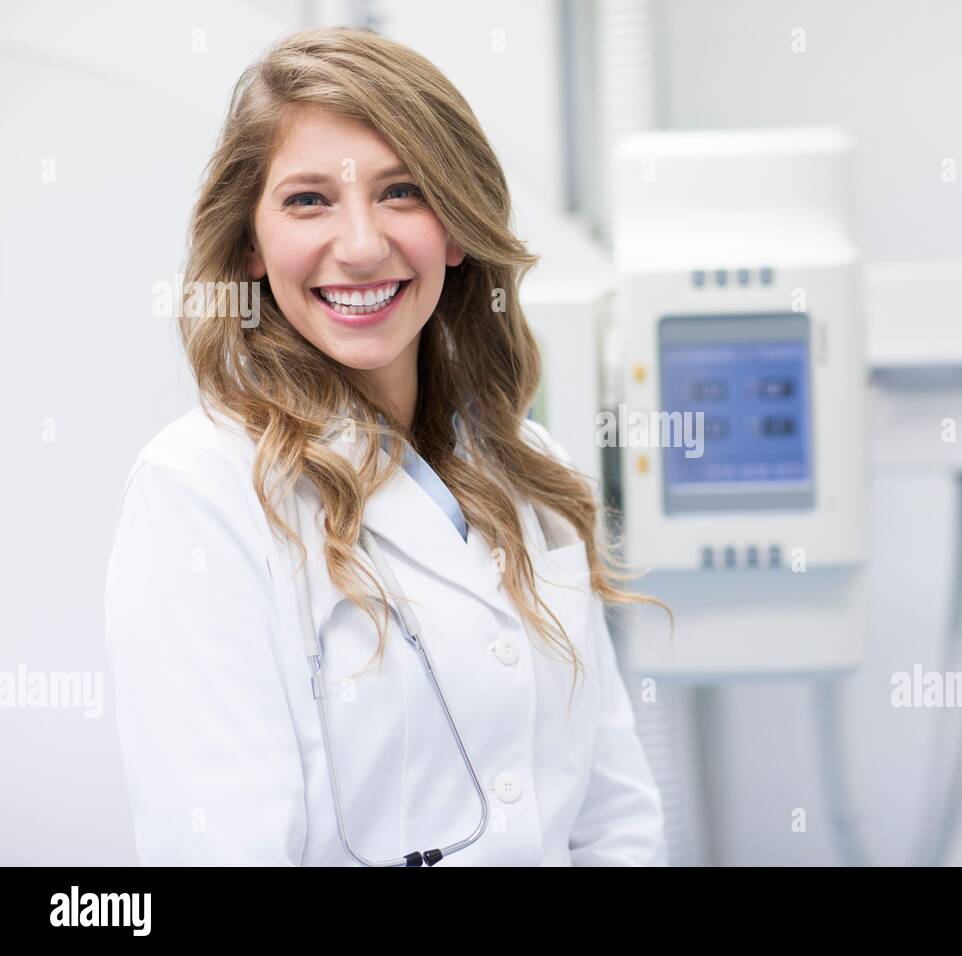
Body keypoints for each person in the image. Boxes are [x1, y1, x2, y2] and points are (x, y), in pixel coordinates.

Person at [103, 26, 669, 866]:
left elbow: (615, 821)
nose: (362, 245)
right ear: (251, 245)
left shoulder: (528, 468)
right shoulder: (199, 489)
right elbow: (225, 845)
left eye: (403, 191)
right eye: (308, 200)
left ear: (457, 227)